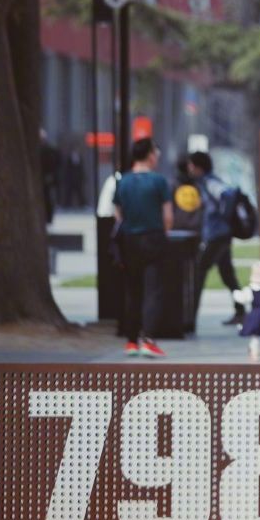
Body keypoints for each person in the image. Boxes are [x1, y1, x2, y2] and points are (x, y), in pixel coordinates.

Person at [112, 138, 172, 358]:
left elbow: (117, 213)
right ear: (149, 155)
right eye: (155, 152)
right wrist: (164, 232)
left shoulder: (123, 181)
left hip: (130, 239)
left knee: (132, 289)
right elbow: (167, 215)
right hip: (153, 237)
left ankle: (131, 341)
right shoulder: (159, 181)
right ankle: (148, 339)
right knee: (152, 290)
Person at [187, 151, 247, 327]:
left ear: (198, 167)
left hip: (217, 235)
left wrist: (222, 214)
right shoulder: (205, 182)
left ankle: (190, 316)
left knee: (199, 272)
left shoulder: (210, 182)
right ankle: (241, 311)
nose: (189, 169)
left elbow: (227, 194)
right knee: (227, 275)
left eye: (191, 165)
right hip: (220, 234)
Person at [39, 130, 60, 226]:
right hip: (42, 177)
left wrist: (51, 175)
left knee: (47, 198)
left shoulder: (49, 150)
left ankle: (48, 217)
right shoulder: (40, 150)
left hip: (47, 178)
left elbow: (55, 163)